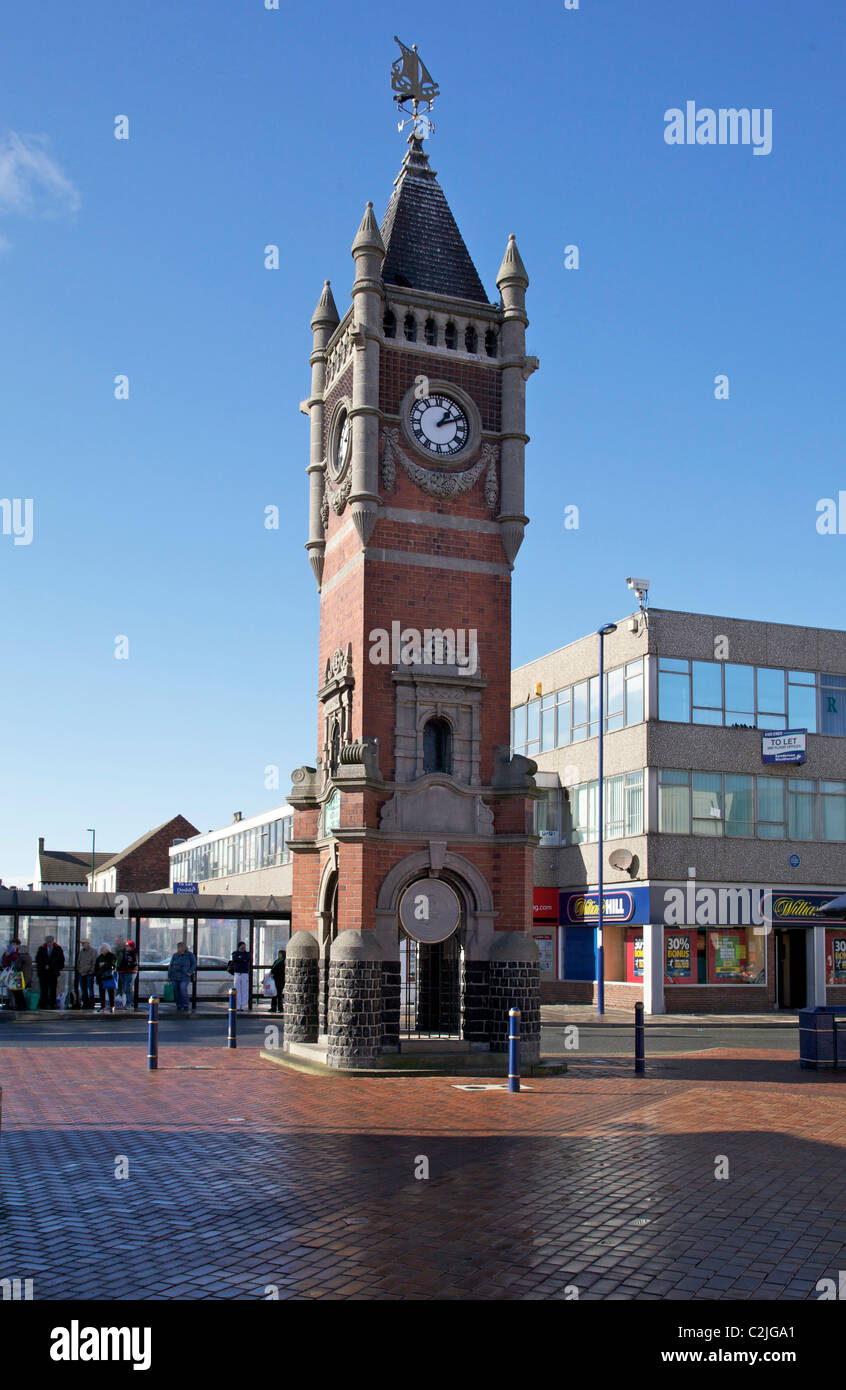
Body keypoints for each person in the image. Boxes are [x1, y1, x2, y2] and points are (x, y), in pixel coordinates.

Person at [35, 935, 66, 1009]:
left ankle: (52, 1003)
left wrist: (55, 968)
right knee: (44, 989)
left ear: (53, 941)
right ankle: (43, 1003)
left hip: (53, 973)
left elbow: (61, 960)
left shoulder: (58, 949)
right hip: (43, 973)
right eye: (47, 942)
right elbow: (38, 959)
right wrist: (44, 965)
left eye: (50, 942)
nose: (49, 944)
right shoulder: (42, 948)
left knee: (53, 989)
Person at [2, 938, 32, 1011]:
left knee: (17, 992)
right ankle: (21, 1006)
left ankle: (20, 1006)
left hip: (18, 976)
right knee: (18, 992)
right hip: (24, 976)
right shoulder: (28, 957)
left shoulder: (21, 957)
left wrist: (7, 956)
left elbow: (16, 966)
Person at [167, 941, 196, 1014]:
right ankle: (179, 1005)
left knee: (183, 989)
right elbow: (171, 966)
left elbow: (194, 964)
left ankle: (185, 1004)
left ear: (184, 947)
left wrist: (190, 972)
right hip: (175, 975)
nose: (179, 948)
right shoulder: (175, 955)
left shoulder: (189, 955)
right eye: (178, 947)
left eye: (180, 947)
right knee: (176, 990)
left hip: (185, 976)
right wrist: (169, 975)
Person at [94, 943, 118, 1013]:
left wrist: (104, 965)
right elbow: (96, 967)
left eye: (103, 949)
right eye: (101, 949)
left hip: (109, 977)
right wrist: (97, 974)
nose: (101, 950)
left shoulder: (112, 956)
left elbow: (113, 965)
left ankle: (112, 1006)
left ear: (107, 949)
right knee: (101, 992)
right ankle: (102, 1006)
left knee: (111, 992)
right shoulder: (99, 957)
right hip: (101, 977)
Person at [229, 940, 251, 1012]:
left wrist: (240, 958)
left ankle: (243, 1006)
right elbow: (235, 959)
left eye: (244, 947)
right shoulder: (235, 953)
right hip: (237, 973)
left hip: (244, 973)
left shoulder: (247, 954)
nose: (243, 948)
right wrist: (241, 958)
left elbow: (247, 958)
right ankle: (237, 1005)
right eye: (242, 947)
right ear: (239, 947)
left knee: (244, 990)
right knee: (237, 989)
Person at [116, 938, 138, 1009]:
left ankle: (129, 1003)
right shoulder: (122, 952)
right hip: (122, 971)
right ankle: (123, 1002)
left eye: (128, 946)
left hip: (130, 971)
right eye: (126, 946)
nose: (126, 947)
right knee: (123, 987)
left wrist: (129, 964)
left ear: (131, 947)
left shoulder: (133, 953)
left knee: (128, 987)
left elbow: (135, 962)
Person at [76, 939, 96, 1009]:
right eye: (82, 943)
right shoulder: (81, 952)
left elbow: (94, 962)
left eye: (84, 943)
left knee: (90, 989)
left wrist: (91, 971)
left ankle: (91, 1003)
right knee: (83, 990)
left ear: (88, 943)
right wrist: (79, 970)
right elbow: (78, 962)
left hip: (89, 973)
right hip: (81, 973)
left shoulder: (93, 952)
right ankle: (85, 1003)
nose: (82, 944)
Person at [269, 945, 286, 1015]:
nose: (279, 955)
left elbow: (281, 970)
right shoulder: (277, 961)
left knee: (279, 994)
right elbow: (273, 968)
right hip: (275, 979)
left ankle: (280, 1007)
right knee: (274, 994)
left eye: (280, 954)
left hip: (280, 980)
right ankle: (273, 1007)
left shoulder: (283, 962)